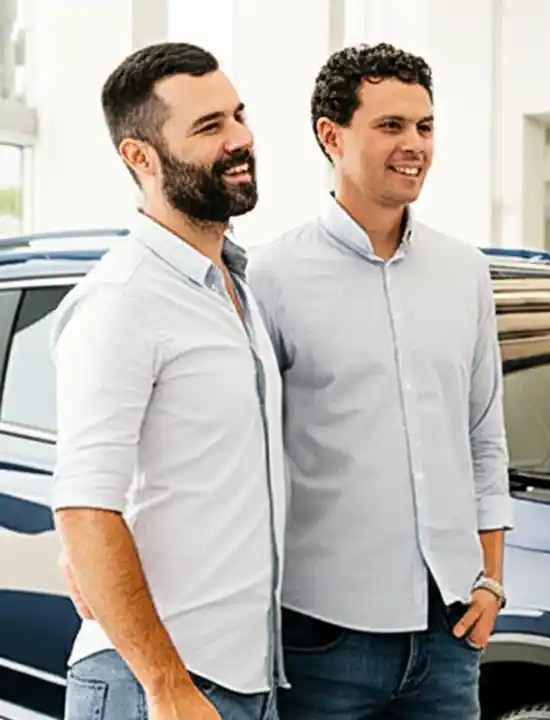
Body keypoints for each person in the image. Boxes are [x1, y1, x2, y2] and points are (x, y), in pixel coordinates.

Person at [245, 43, 511, 719]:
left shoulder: (465, 272)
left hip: (451, 628)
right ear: (331, 136)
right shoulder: (269, 277)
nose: (414, 144)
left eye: (425, 126)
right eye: (391, 125)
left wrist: (491, 583)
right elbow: (245, 457)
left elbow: (484, 437)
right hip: (322, 634)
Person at [52, 42, 287, 720]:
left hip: (246, 680)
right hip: (158, 686)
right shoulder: (122, 299)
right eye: (209, 127)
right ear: (140, 156)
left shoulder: (238, 288)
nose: (240, 139)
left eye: (238, 115)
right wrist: (167, 687)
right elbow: (84, 507)